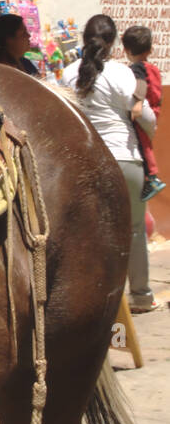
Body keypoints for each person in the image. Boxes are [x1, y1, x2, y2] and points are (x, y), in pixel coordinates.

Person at [62, 17, 157, 313]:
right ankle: (140, 296)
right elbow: (146, 118)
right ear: (115, 42)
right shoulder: (122, 73)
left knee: (89, 230)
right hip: (125, 159)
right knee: (134, 230)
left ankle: (96, 301)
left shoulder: (66, 74)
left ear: (83, 39)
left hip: (85, 161)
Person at [121, 24, 165, 201]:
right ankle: (151, 177)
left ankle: (152, 178)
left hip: (144, 110)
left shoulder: (137, 68)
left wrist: (138, 102)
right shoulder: (152, 67)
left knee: (142, 145)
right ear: (151, 49)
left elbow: (140, 84)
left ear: (126, 50)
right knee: (146, 143)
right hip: (154, 109)